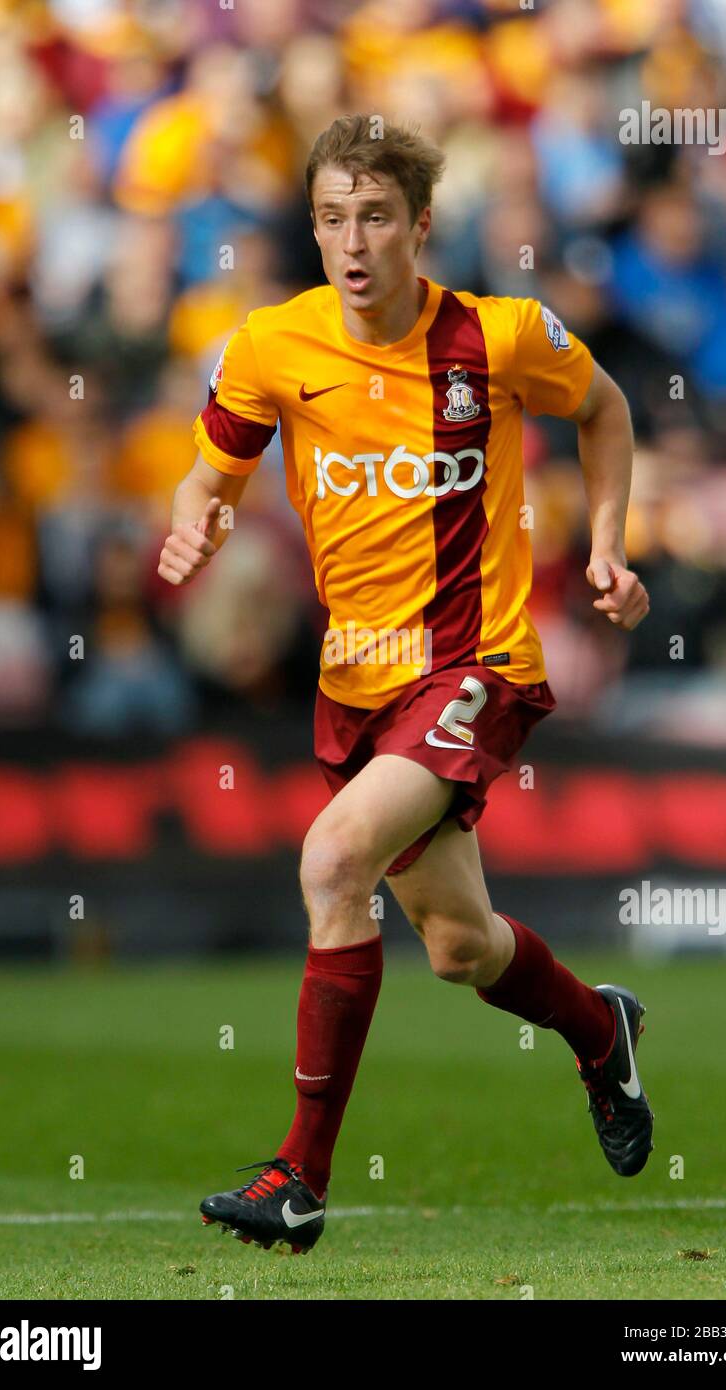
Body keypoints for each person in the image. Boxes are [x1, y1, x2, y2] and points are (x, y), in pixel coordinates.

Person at [158, 115, 653, 1255]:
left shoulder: (500, 335)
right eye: (332, 217)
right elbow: (207, 473)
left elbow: (608, 409)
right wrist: (198, 524)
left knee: (331, 860)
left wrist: (610, 547)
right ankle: (600, 1034)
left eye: (375, 216)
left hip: (473, 661)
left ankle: (300, 1175)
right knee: (459, 946)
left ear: (420, 225)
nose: (352, 240)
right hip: (355, 683)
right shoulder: (274, 345)